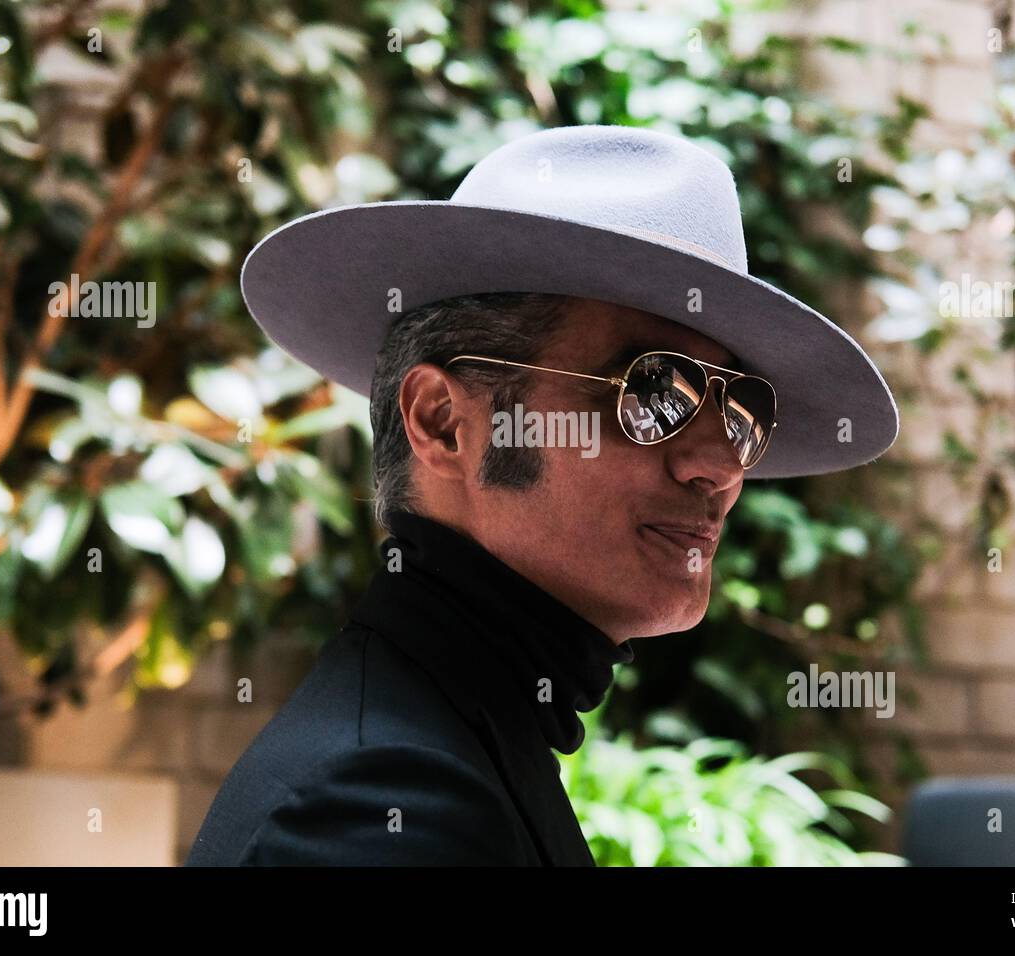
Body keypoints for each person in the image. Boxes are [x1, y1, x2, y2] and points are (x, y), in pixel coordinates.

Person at [186, 124, 898, 866]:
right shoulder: (382, 800)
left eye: (741, 410)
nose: (720, 464)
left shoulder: (459, 739)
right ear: (444, 422)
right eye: (654, 392)